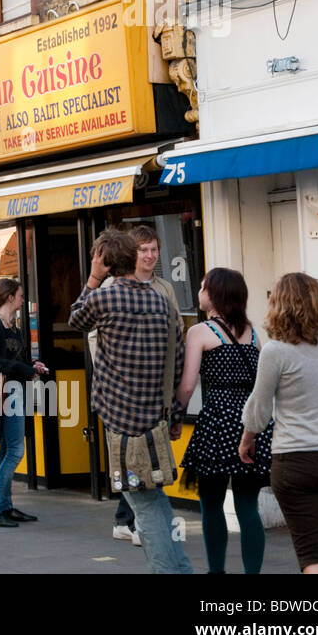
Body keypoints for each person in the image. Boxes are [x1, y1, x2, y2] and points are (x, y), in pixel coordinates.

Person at [69, 228, 192, 574]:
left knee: (144, 506)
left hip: (120, 422)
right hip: (155, 416)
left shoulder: (105, 298)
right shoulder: (160, 301)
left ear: (107, 262)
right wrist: (176, 412)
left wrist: (93, 277)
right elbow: (178, 359)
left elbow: (75, 317)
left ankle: (167, 571)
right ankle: (180, 568)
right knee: (155, 500)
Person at [240, 273, 318, 574]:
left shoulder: (275, 350)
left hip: (296, 462)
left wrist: (247, 439)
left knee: (314, 555)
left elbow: (259, 410)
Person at [176, 267, 271, 574]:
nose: (200, 292)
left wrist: (177, 415)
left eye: (203, 287)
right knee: (247, 505)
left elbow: (188, 385)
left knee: (212, 503)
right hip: (250, 422)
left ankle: (216, 571)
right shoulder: (254, 333)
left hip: (217, 420)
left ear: (215, 295)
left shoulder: (201, 332)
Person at [101, 224, 183, 546]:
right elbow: (95, 337)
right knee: (135, 457)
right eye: (143, 250)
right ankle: (138, 524)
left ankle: (127, 520)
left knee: (146, 457)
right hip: (122, 391)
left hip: (157, 388)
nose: (149, 256)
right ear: (131, 254)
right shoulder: (115, 286)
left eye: (153, 250)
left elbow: (176, 335)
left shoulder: (164, 289)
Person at [0, 278, 49, 527]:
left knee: (7, 449)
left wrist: (32, 366)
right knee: (17, 450)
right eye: (19, 295)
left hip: (16, 392)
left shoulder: (13, 326)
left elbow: (12, 359)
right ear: (9, 297)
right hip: (6, 395)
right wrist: (22, 368)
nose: (22, 299)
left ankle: (5, 507)